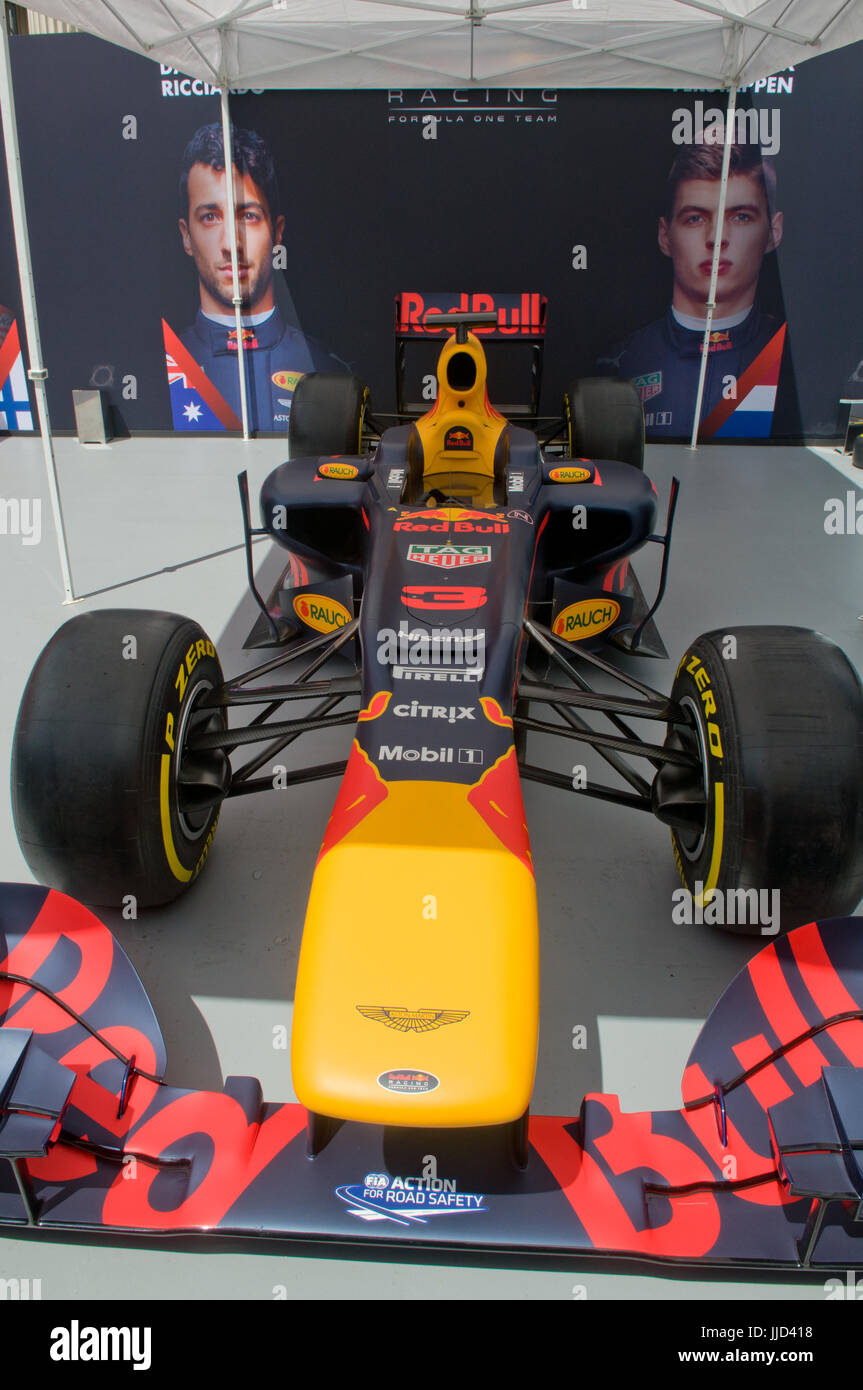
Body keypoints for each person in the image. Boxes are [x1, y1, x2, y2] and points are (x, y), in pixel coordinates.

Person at [597, 141, 786, 440]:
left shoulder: (792, 364)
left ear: (773, 233)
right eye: (695, 218)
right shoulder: (618, 364)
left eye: (740, 216)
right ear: (665, 235)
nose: (717, 238)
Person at [165, 122, 346, 432]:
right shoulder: (168, 365)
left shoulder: (326, 369)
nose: (231, 244)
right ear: (186, 236)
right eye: (210, 217)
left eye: (248, 216)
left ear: (276, 231)